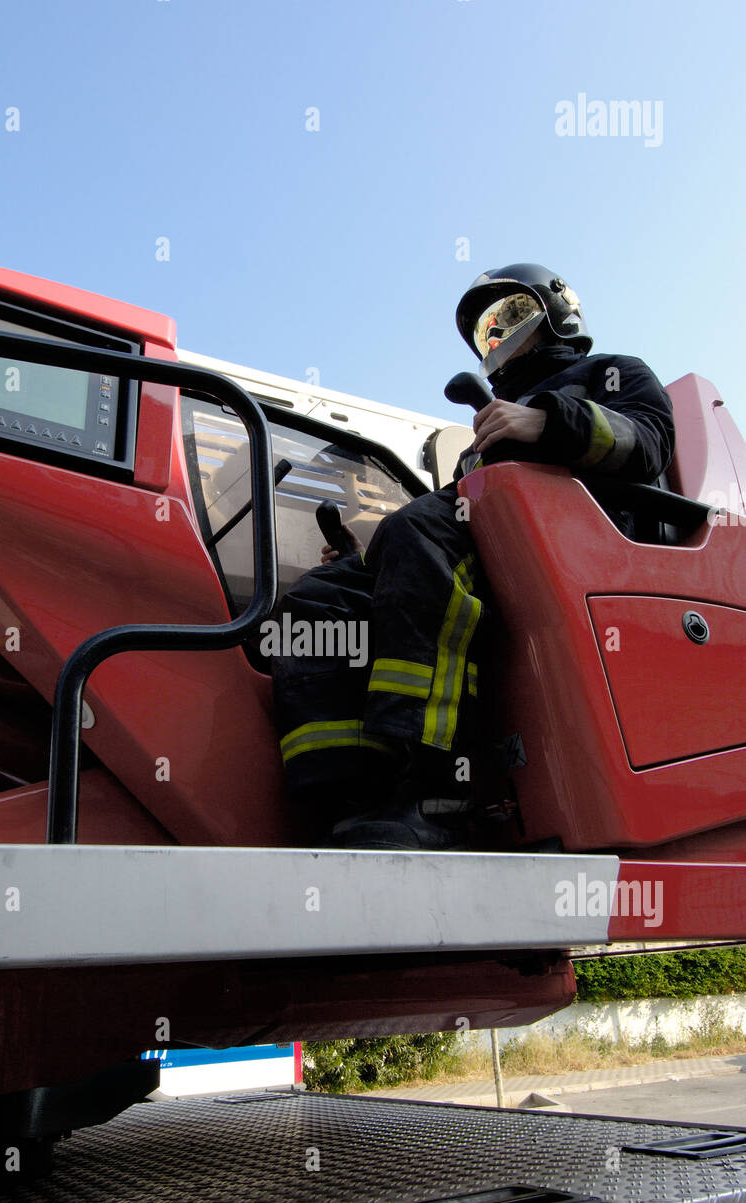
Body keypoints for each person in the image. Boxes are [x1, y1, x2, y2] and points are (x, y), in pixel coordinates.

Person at [271, 264, 676, 849]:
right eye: (486, 330)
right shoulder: (492, 429)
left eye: (508, 317)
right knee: (320, 597)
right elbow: (439, 519)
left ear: (557, 311)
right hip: (490, 550)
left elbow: (652, 440)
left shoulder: (614, 373)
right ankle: (347, 801)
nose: (495, 337)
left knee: (416, 538)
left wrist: (546, 421)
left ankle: (431, 792)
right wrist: (372, 559)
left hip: (583, 555)